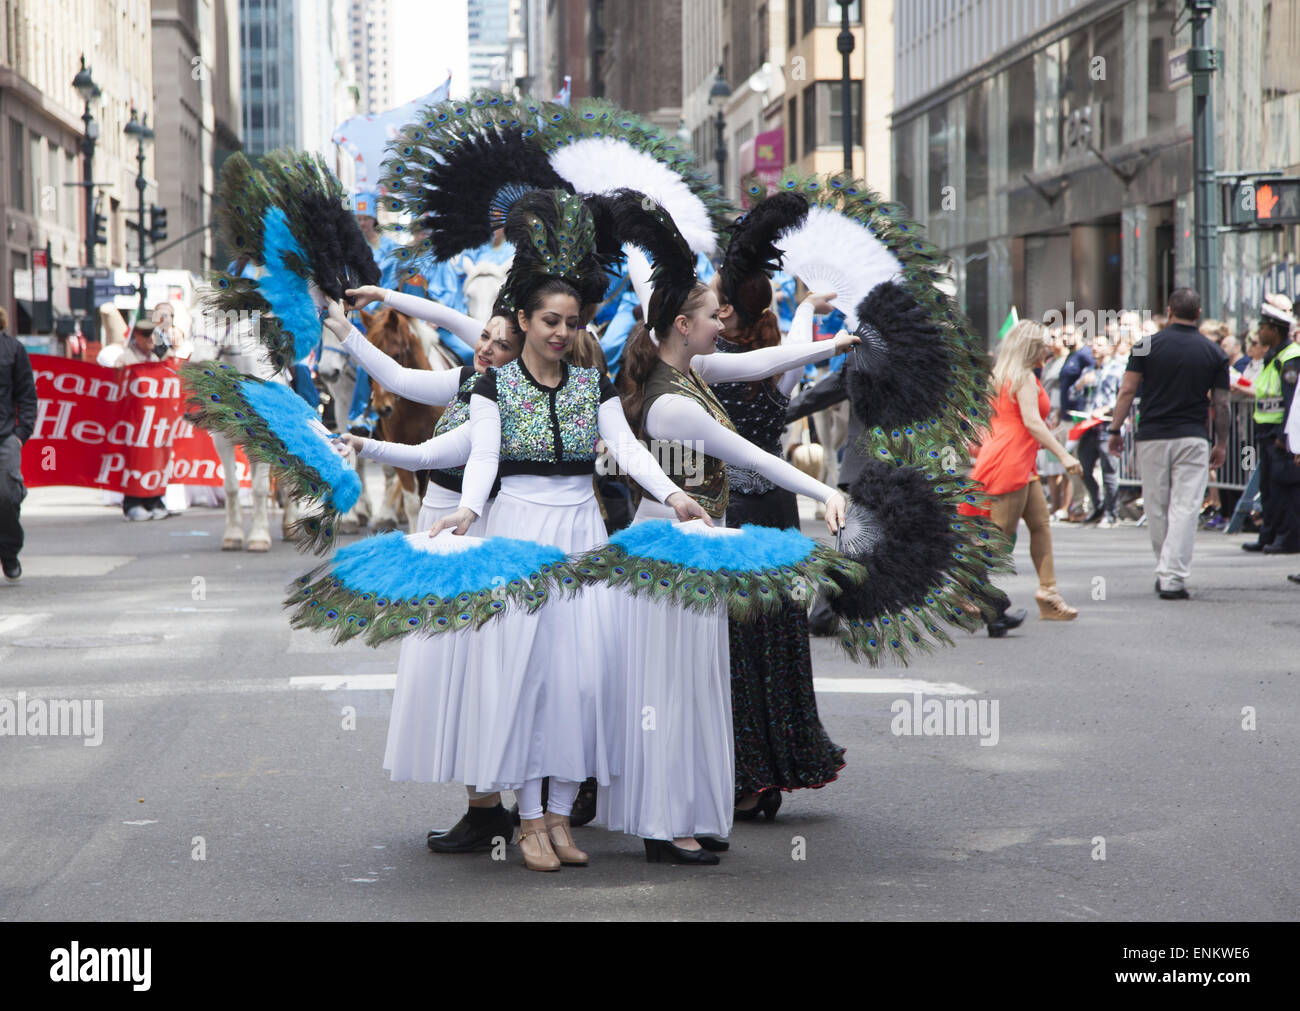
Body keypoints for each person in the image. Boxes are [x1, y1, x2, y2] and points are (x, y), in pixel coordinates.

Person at [357, 191, 711, 872]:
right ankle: (525, 822)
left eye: (571, 321)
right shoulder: (492, 388)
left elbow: (630, 450)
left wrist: (672, 492)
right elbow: (481, 457)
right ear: (522, 319)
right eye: (549, 320)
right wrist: (466, 512)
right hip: (516, 528)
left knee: (581, 680)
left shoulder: (592, 385)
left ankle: (559, 813)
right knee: (525, 679)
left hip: (581, 530)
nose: (560, 331)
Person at [603, 190, 853, 859]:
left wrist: (830, 335)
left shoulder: (687, 368)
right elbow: (749, 454)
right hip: (675, 546)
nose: (725, 323)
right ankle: (666, 823)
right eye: (714, 315)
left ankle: (684, 812)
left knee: (695, 686)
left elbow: (760, 361)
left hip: (694, 543)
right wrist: (821, 487)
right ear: (683, 325)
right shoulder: (674, 404)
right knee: (675, 691)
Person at [331, 282, 524, 854]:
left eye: (498, 343)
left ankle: (512, 808)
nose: (483, 346)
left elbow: (428, 456)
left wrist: (368, 446)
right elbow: (402, 376)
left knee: (477, 671)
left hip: (470, 531)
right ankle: (485, 807)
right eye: (482, 335)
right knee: (451, 675)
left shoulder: (506, 398)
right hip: (441, 525)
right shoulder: (471, 377)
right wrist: (354, 316)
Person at [706, 197, 849, 819]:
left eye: (714, 303)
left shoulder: (706, 366)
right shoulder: (774, 365)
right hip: (778, 513)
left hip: (732, 513)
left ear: (728, 311)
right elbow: (790, 348)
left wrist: (804, 312)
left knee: (734, 643)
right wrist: (806, 313)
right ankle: (774, 768)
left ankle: (743, 771)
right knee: (776, 635)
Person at [1107, 287, 1229, 598]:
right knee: (1185, 507)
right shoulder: (1214, 353)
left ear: (1169, 312)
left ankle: (1167, 571)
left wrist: (1114, 429)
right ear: (1198, 315)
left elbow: (1127, 392)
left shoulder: (1146, 346)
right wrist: (1222, 443)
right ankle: (1172, 574)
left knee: (1156, 505)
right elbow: (1222, 403)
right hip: (1192, 436)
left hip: (1153, 436)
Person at [967, 320, 1081, 621]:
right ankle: (962, 591)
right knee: (999, 538)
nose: (1049, 347)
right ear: (1032, 346)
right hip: (1011, 460)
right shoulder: (1024, 378)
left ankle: (1048, 592)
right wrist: (1063, 455)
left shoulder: (1003, 374)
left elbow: (1012, 422)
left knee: (1040, 525)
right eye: (1044, 343)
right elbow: (1030, 422)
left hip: (1015, 458)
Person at [1240, 294, 1300, 555]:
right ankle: (1269, 534)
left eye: (1262, 328)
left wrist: (1284, 435)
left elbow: (1291, 403)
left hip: (1279, 434)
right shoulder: (1273, 355)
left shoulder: (1290, 357)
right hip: (1267, 433)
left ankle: (1287, 538)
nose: (1258, 332)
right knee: (1268, 488)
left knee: (1283, 488)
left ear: (1273, 330)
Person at [116, 318, 174, 521]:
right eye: (147, 336)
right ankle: (133, 502)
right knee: (136, 462)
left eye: (153, 336)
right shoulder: (126, 358)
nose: (151, 340)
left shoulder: (159, 358)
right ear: (137, 337)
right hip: (135, 421)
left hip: (157, 421)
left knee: (157, 461)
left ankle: (155, 500)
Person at [1070, 332, 1123, 526]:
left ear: (1109, 348)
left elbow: (1124, 396)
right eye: (1092, 345)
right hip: (1088, 428)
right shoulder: (1088, 370)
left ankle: (1112, 513)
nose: (1094, 348)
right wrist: (1080, 384)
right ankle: (1098, 506)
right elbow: (1072, 394)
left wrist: (1107, 408)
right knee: (1084, 469)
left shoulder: (1119, 369)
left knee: (1109, 473)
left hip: (1108, 427)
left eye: (1099, 345)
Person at [1, 306, 36, 581]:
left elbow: (27, 394)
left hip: (5, 437)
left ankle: (9, 551)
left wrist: (21, 433)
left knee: (6, 495)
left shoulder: (13, 349)